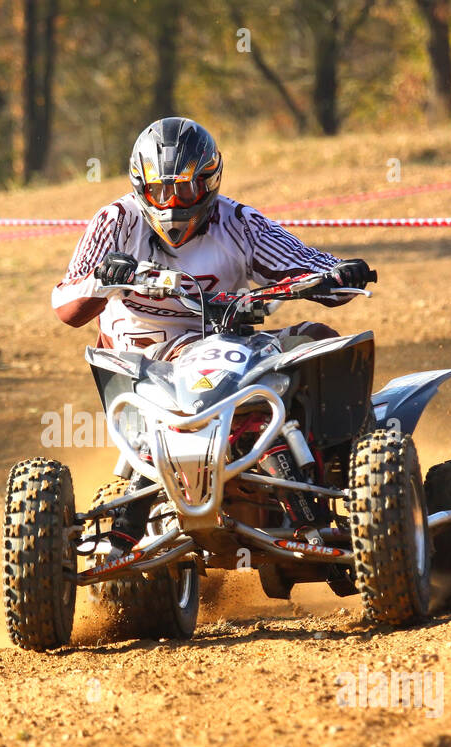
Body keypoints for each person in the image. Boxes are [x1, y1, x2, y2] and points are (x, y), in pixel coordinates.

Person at [51, 116, 375, 556]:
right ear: (139, 187)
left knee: (320, 343)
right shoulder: (116, 222)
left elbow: (303, 263)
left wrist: (336, 273)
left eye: (185, 190)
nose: (171, 205)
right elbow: (66, 306)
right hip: (141, 365)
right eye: (159, 191)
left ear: (209, 183)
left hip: (222, 348)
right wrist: (104, 280)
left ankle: (354, 476)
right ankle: (125, 528)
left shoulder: (237, 223)